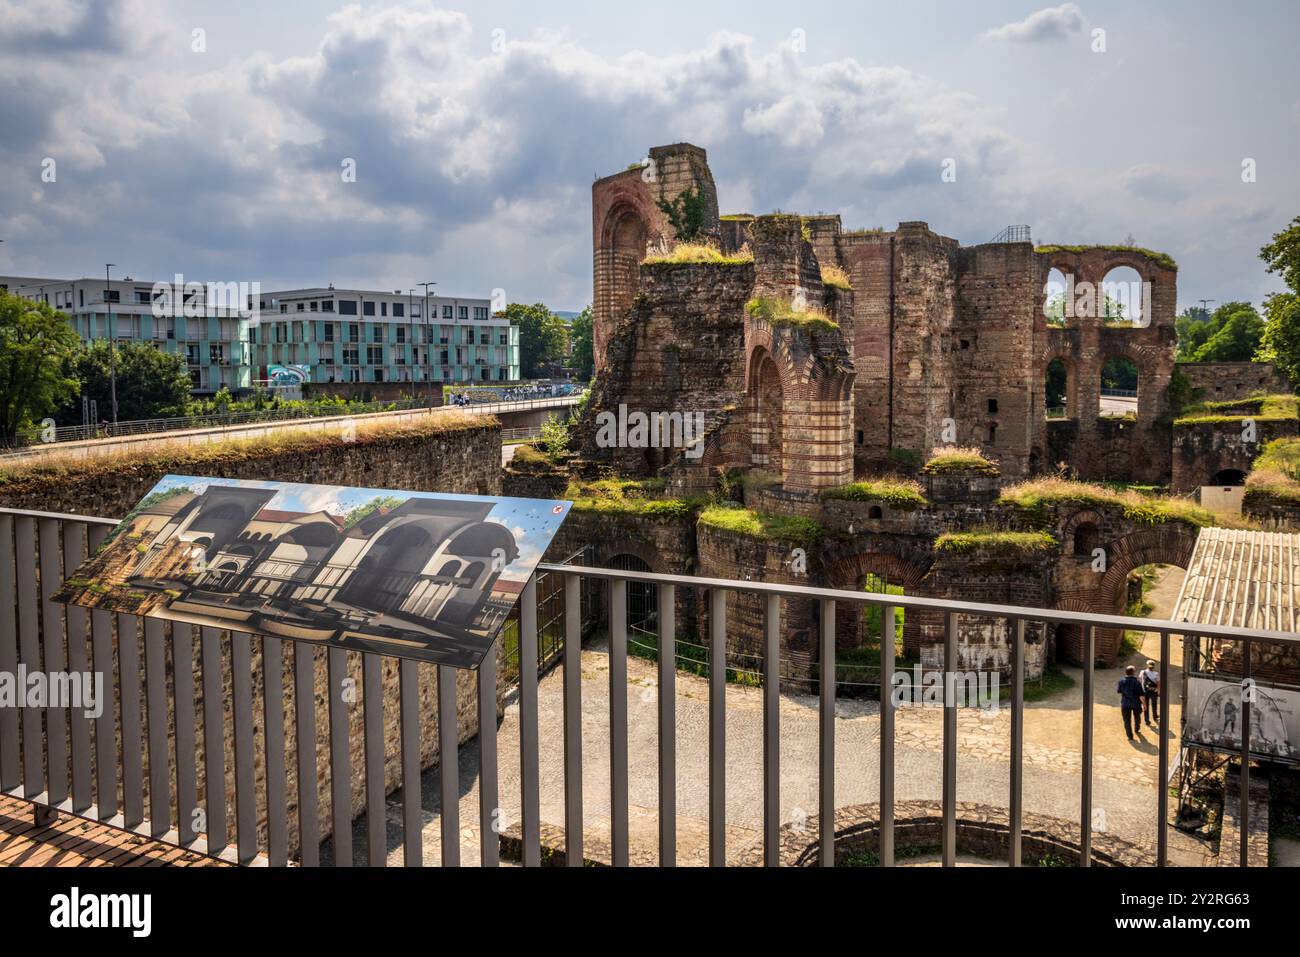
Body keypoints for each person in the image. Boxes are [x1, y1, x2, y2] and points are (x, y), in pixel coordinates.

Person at [1116, 665, 1145, 741]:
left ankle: (1130, 736)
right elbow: (1141, 695)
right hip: (1136, 703)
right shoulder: (1137, 682)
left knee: (1126, 720)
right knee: (1137, 717)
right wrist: (1144, 704)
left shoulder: (1121, 681)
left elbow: (1119, 691)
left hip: (1125, 703)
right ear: (1133, 673)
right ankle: (1137, 729)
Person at [1139, 659, 1160, 726]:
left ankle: (1147, 720)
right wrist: (1158, 691)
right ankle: (1155, 716)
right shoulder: (1156, 674)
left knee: (1145, 706)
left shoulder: (1142, 672)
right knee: (1154, 704)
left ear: (1147, 665)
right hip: (1153, 691)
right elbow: (1158, 683)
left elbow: (1140, 680)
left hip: (1145, 691)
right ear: (1154, 666)